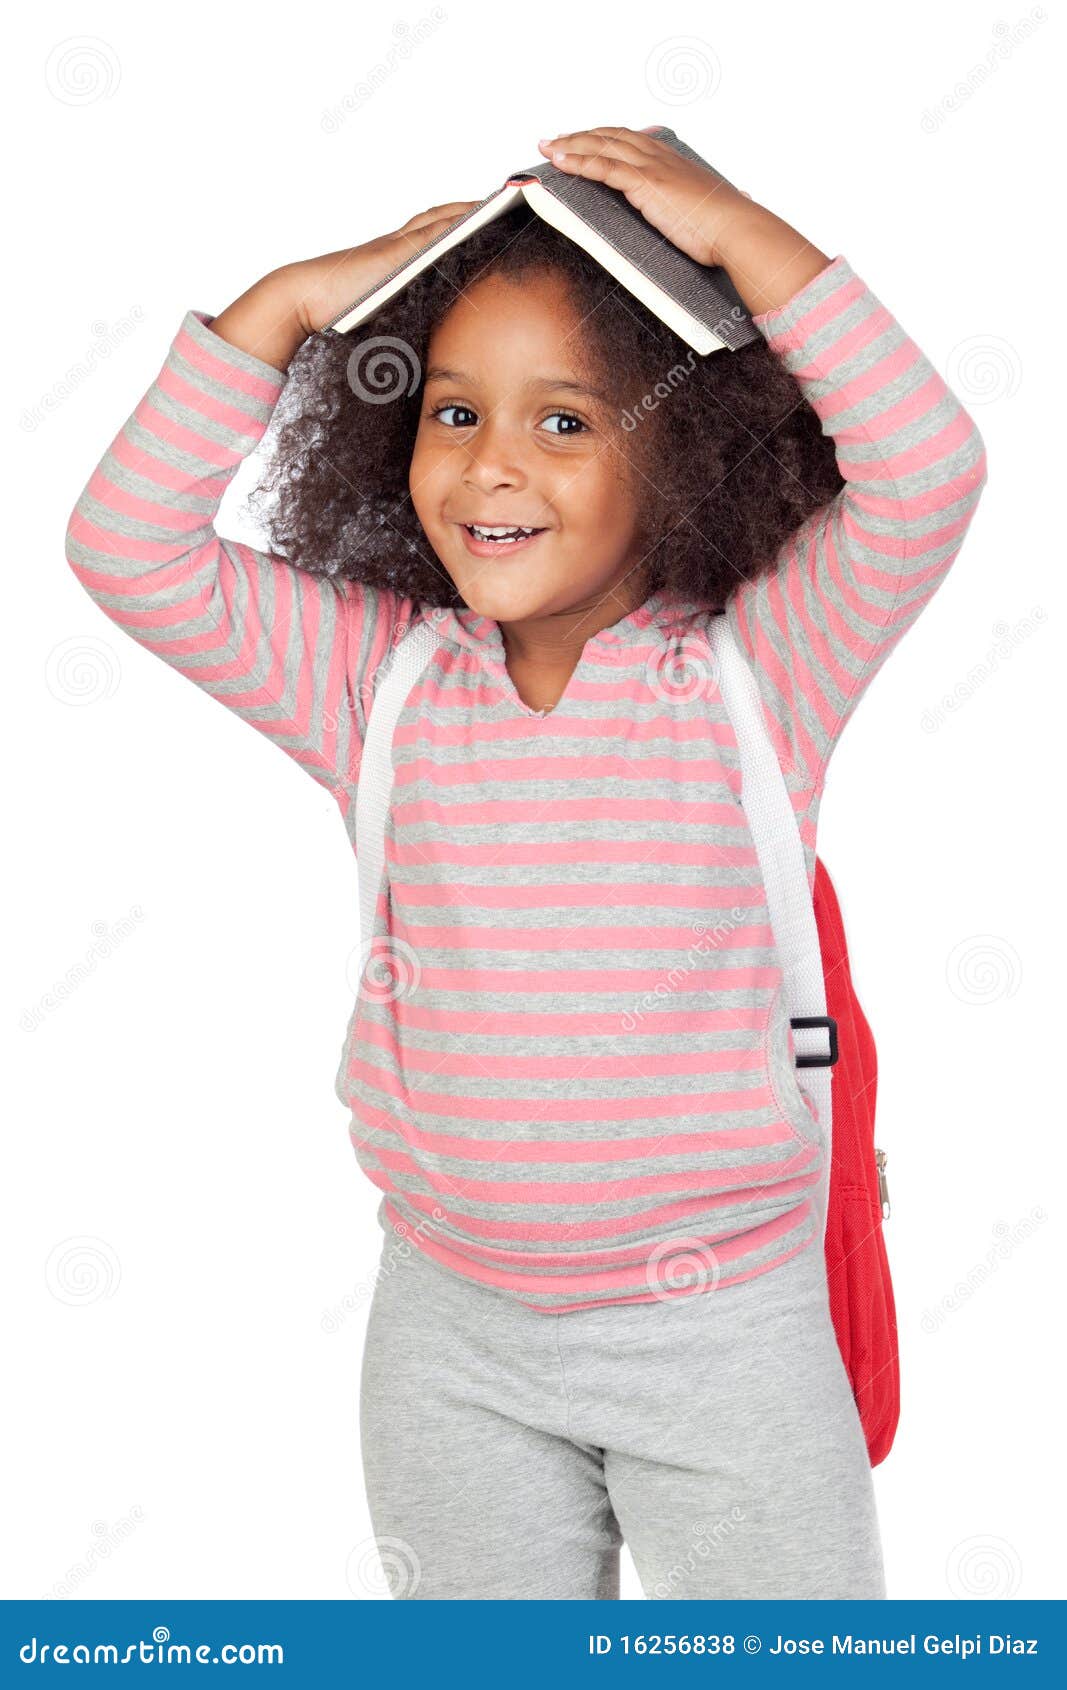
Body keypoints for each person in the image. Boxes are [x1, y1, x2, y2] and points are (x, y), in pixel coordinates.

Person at [64, 126, 987, 1600]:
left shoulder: (762, 669)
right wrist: (297, 302)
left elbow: (927, 470)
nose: (491, 464)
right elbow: (127, 547)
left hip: (726, 1329)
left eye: (567, 422)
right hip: (453, 1339)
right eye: (449, 411)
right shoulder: (380, 684)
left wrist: (748, 237)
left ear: (686, 445)